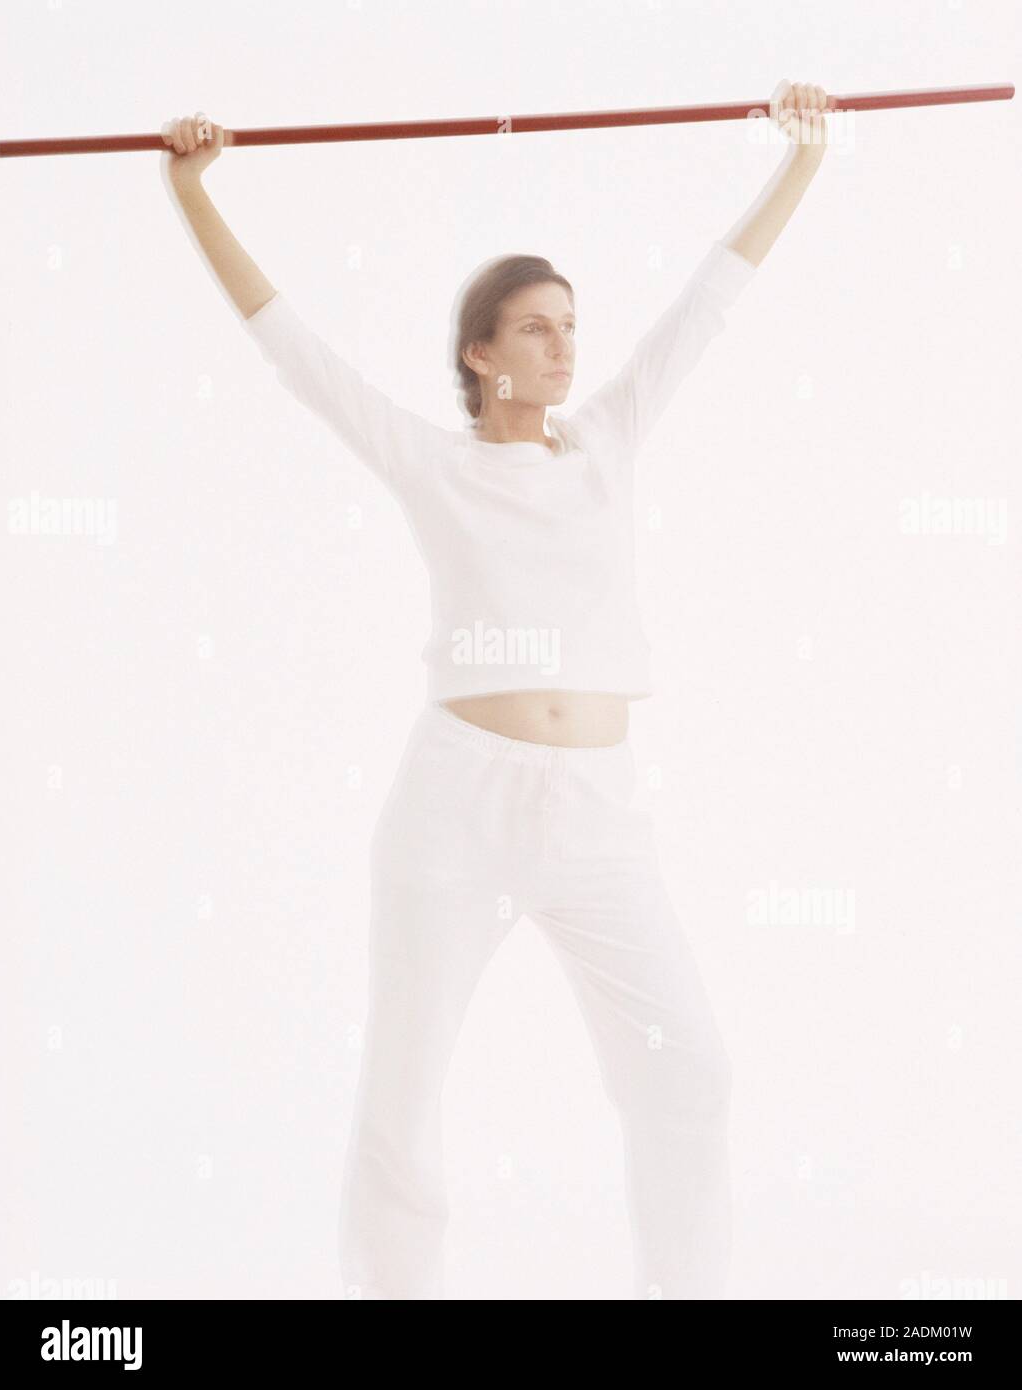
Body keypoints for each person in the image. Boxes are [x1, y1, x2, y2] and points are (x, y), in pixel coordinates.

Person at [161, 80, 828, 1299]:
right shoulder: (433, 460)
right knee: (404, 1104)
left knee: (686, 1073)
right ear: (479, 353)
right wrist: (191, 189)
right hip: (454, 807)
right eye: (536, 328)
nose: (566, 346)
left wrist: (802, 156)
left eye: (571, 324)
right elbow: (289, 346)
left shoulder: (608, 441)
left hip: (595, 814)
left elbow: (711, 298)